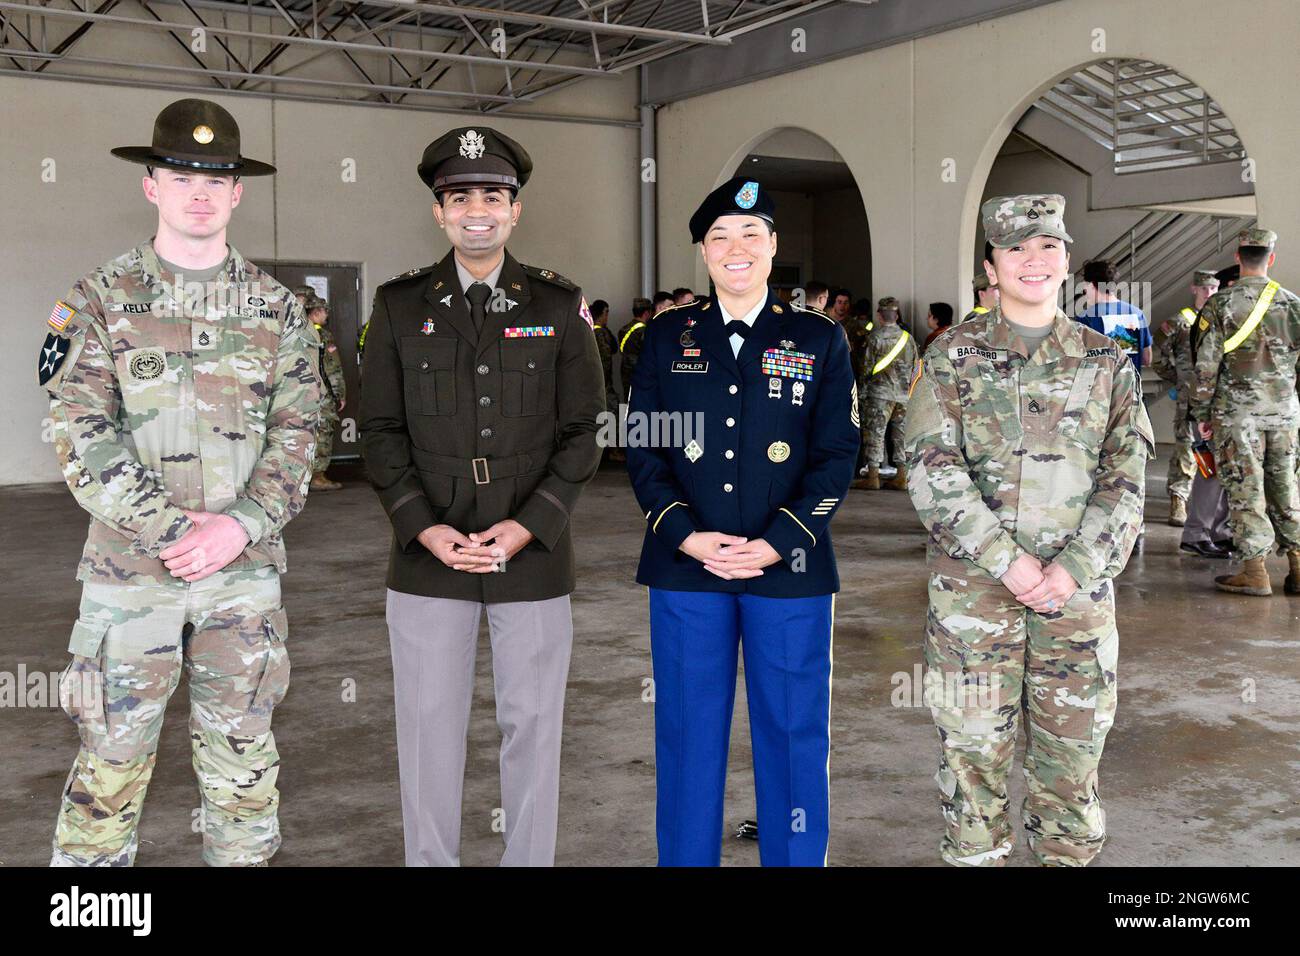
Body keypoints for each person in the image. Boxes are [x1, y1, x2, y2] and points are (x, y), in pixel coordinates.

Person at [37, 98, 320, 867]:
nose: (200, 189)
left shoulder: (277, 310)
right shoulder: (99, 300)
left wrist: (239, 526)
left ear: (236, 193)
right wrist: (172, 531)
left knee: (243, 769)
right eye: (181, 173)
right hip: (130, 580)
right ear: (152, 184)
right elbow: (79, 433)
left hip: (243, 581)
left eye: (217, 176)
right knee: (110, 767)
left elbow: (300, 437)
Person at [358, 126, 605, 865]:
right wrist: (420, 527)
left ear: (515, 210)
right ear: (439, 212)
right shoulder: (400, 305)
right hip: (429, 552)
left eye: (492, 196)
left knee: (533, 729)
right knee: (428, 730)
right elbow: (379, 430)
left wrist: (531, 526)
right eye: (459, 196)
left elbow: (585, 431)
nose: (477, 210)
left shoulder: (560, 305)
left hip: (530, 552)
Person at [903, 193, 1153, 867]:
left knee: (1072, 765)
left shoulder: (1107, 362)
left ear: (1067, 259)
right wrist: (1007, 563)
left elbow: (1127, 479)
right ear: (991, 265)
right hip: (974, 604)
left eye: (1047, 246)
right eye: (1015, 248)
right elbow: (932, 470)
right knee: (972, 763)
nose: (1033, 260)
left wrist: (1072, 568)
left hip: (1076, 604)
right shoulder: (952, 356)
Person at [626, 177, 858, 866]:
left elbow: (837, 454)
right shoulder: (669, 335)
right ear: (703, 251)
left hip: (789, 571)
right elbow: (644, 443)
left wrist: (777, 542)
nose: (737, 248)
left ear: (774, 246)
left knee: (792, 734)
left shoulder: (818, 338)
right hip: (684, 568)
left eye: (751, 234)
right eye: (720, 236)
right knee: (687, 735)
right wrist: (684, 533)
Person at [1190, 228, 1300, 596]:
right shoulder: (1293, 304)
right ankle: (1298, 568)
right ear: (1271, 258)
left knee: (1246, 489)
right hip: (1284, 413)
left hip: (1237, 417)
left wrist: (1202, 413)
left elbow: (1206, 367)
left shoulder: (1220, 305)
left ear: (1238, 257)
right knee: (1286, 486)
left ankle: (1255, 573)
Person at [1152, 269, 1219, 530]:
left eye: (1213, 289)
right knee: (1185, 444)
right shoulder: (1181, 320)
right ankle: (1178, 497)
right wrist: (1173, 376)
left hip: (1216, 394)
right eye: (1204, 289)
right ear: (1194, 289)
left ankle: (1209, 505)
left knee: (1214, 448)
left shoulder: (1221, 319)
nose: (1209, 293)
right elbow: (1156, 350)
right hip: (1188, 394)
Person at [854, 296, 919, 490]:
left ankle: (873, 476)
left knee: (876, 433)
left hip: (880, 395)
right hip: (904, 395)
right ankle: (902, 475)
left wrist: (861, 391)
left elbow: (865, 367)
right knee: (901, 435)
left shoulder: (875, 337)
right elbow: (917, 366)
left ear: (879, 316)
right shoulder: (909, 338)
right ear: (897, 315)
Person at [1075, 259, 1152, 372]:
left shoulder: (1086, 318)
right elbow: (1147, 359)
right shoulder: (1138, 314)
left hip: (1101, 387)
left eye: (1085, 285)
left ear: (1091, 285)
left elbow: (1079, 360)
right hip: (1131, 387)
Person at [305, 291, 347, 491]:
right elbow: (332, 368)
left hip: (296, 394)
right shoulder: (322, 334)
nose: (326, 316)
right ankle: (318, 476)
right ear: (317, 311)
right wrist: (340, 393)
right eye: (324, 312)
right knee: (323, 432)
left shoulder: (291, 330)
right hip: (319, 393)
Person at [589, 298, 620, 435]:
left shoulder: (593, 330)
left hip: (597, 383)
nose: (607, 316)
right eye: (606, 313)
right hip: (602, 384)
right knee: (612, 412)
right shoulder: (599, 333)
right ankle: (612, 449)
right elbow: (607, 358)